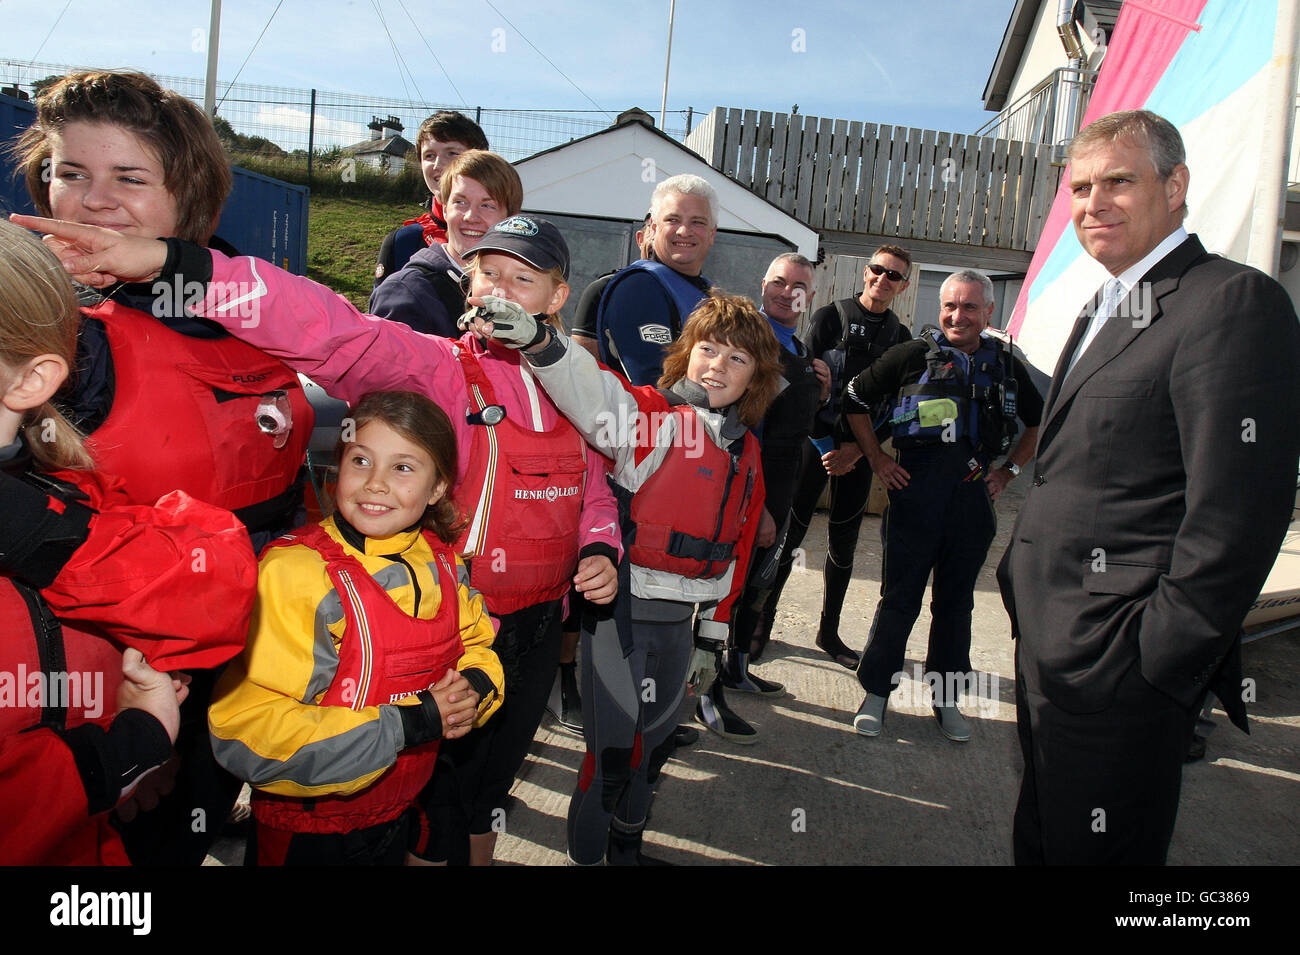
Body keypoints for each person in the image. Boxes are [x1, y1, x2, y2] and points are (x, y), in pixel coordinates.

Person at [16, 209, 622, 868]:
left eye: (523, 279)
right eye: (487, 275)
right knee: (433, 803)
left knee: (489, 796)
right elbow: (330, 327)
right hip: (458, 617)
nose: (500, 291)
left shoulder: (577, 387)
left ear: (558, 297)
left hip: (539, 629)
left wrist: (599, 547)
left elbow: (595, 482)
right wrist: (179, 265)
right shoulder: (439, 369)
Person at [11, 69, 315, 865]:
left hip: (240, 681)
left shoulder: (260, 316)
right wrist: (126, 732)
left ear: (188, 199)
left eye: (129, 178)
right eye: (71, 173)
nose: (94, 199)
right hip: (103, 696)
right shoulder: (47, 336)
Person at [996, 110, 1300, 865]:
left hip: (1118, 668)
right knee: (1042, 843)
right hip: (1049, 646)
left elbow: (1237, 514)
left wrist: (1148, 662)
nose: (1093, 202)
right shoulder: (1102, 306)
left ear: (1176, 185)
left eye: (1118, 182)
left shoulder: (1229, 303)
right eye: (1080, 187)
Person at [469, 284, 781, 864]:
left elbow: (737, 552)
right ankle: (587, 857)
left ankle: (626, 851)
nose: (719, 366)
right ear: (686, 352)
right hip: (621, 617)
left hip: (679, 629)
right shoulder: (652, 417)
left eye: (738, 358)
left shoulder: (747, 451)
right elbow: (592, 395)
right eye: (709, 349)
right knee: (612, 755)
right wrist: (541, 340)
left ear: (755, 378)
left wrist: (714, 637)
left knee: (655, 751)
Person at [0, 219, 256, 864]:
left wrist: (43, 534)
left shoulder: (64, 491)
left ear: (31, 380)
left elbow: (216, 585)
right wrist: (124, 751)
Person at [209, 391, 504, 866]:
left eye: (403, 468)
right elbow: (244, 731)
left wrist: (474, 690)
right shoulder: (297, 573)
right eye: (361, 460)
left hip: (402, 808)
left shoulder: (442, 561)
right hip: (311, 833)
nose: (376, 484)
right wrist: (413, 723)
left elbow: (476, 644)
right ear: (337, 466)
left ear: (436, 489)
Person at [844, 269, 1042, 741]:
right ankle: (876, 693)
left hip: (973, 501)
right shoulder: (911, 356)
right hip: (916, 496)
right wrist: (877, 459)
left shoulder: (1008, 365)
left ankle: (946, 699)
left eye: (970, 307)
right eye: (951, 305)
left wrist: (1007, 473)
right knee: (899, 600)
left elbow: (1036, 424)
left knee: (956, 606)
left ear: (989, 313)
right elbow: (853, 398)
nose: (958, 316)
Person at [696, 252, 829, 743]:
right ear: (763, 284)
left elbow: (798, 423)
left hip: (788, 482)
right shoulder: (748, 345)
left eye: (797, 285)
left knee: (758, 586)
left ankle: (734, 670)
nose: (785, 291)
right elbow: (743, 430)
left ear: (809, 296)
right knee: (724, 592)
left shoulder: (799, 349)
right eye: (777, 281)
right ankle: (705, 693)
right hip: (751, 489)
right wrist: (760, 507)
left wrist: (823, 391)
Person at [760, 246, 915, 669]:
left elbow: (897, 407)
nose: (883, 280)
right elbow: (805, 382)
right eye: (878, 270)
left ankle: (829, 632)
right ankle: (761, 624)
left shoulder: (901, 338)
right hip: (815, 445)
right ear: (866, 273)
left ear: (902, 286)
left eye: (894, 276)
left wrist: (859, 450)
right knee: (788, 538)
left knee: (843, 545)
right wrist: (829, 445)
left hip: (859, 453)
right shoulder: (831, 317)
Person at [368, 150, 522, 338]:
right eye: (460, 202)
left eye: (487, 205)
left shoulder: (517, 291)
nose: (471, 217)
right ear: (445, 209)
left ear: (510, 219)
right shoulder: (405, 293)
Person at [595, 174, 716, 383]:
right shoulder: (640, 287)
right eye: (673, 220)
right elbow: (653, 383)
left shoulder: (710, 292)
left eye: (697, 222)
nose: (684, 231)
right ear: (653, 227)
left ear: (712, 234)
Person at [372, 110, 489, 288]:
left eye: (452, 153)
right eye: (429, 155)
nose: (438, 165)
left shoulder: (508, 240)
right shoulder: (403, 241)